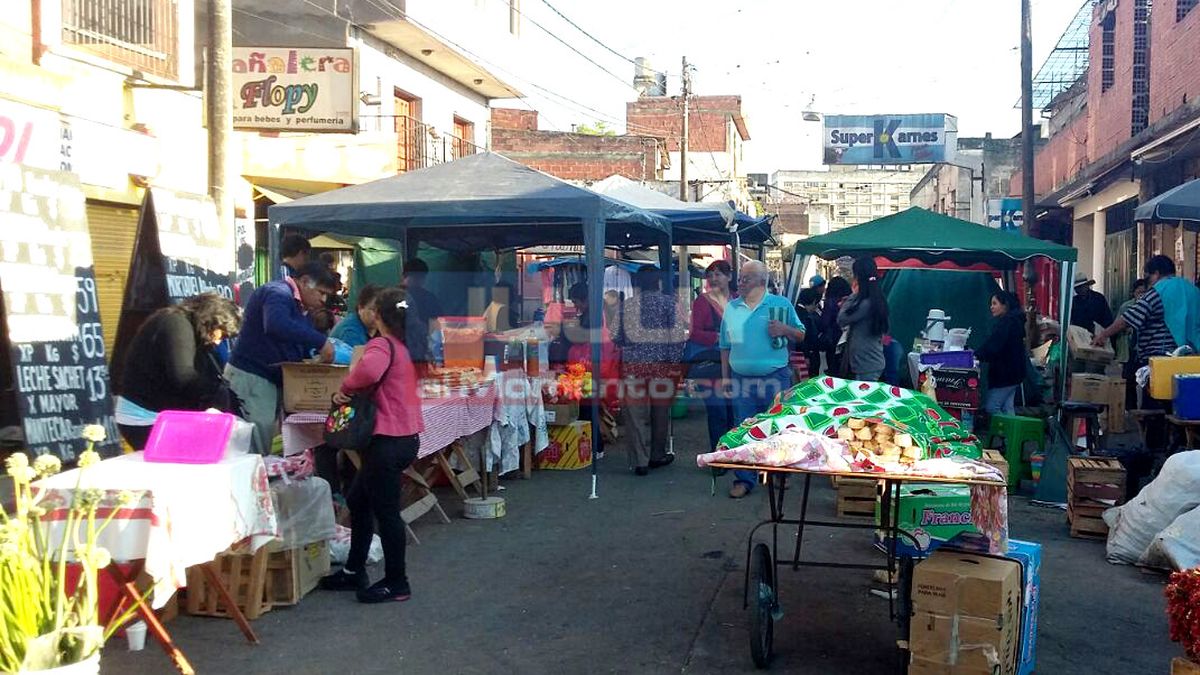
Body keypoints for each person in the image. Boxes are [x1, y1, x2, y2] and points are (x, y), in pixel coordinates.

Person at [320, 288, 424, 604]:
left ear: (378, 316)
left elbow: (368, 369)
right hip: (405, 438)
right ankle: (354, 571)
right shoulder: (406, 347)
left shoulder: (382, 344)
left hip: (386, 441)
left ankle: (397, 582)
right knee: (360, 502)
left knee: (387, 513)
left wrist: (346, 386)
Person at [227, 262, 336, 454]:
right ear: (304, 282)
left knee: (266, 438)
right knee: (254, 440)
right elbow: (276, 324)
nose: (323, 300)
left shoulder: (301, 308)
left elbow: (295, 341)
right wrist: (320, 342)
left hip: (270, 380)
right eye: (321, 292)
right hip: (253, 376)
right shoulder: (277, 292)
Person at [720, 260, 806, 498]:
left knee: (778, 427)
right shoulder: (732, 308)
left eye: (745, 279)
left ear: (760, 281)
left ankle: (778, 472)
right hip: (741, 378)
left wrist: (784, 329)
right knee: (743, 428)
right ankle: (744, 479)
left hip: (775, 376)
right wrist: (725, 379)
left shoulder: (780, 305)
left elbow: (801, 334)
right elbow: (725, 346)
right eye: (740, 279)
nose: (740, 283)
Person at [115, 294, 242, 450]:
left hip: (162, 416)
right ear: (211, 320)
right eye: (221, 334)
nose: (218, 341)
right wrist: (217, 392)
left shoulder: (188, 327)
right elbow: (183, 377)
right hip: (146, 418)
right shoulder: (175, 323)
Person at [619, 267, 687, 476]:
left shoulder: (627, 306)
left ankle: (640, 461)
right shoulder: (668, 303)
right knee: (660, 412)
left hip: (633, 365)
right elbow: (677, 336)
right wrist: (674, 363)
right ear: (658, 282)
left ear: (637, 284)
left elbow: (617, 337)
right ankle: (657, 454)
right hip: (661, 365)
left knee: (635, 414)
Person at [1093, 255, 1200, 383]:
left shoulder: (1159, 291)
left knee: (1156, 400)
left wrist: (1103, 334)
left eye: (1148, 277)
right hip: (1191, 358)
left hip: (1162, 358)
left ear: (1156, 273)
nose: (1148, 282)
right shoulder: (1193, 291)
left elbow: (1129, 318)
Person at [689, 260, 736, 453]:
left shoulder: (737, 301)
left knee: (734, 411)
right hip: (710, 363)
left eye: (719, 274)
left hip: (735, 363)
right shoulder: (702, 301)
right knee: (717, 411)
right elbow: (694, 332)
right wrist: (717, 337)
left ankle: (734, 452)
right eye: (711, 275)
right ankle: (718, 456)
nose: (714, 278)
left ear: (729, 277)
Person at [837, 257, 889, 381]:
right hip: (872, 360)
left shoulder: (865, 303)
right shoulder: (878, 299)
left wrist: (852, 296)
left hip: (865, 363)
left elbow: (842, 318)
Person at [976, 291, 1028, 416]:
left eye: (995, 303)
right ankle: (1011, 435)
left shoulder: (1006, 323)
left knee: (992, 407)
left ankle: (1005, 433)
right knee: (1007, 408)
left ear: (1005, 305)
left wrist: (977, 355)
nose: (991, 307)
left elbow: (994, 346)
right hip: (1015, 374)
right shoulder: (1015, 321)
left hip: (1005, 374)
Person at [401, 258, 443, 371]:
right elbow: (436, 329)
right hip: (419, 354)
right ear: (423, 278)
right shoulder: (429, 298)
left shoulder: (389, 296)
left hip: (395, 354)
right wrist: (436, 356)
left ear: (403, 274)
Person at [1116, 279, 1149, 408]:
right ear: (1133, 293)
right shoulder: (1126, 307)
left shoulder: (1150, 306)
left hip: (1144, 349)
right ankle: (1130, 408)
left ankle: (1145, 410)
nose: (1141, 295)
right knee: (1129, 380)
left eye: (1144, 292)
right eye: (1139, 292)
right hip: (1129, 349)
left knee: (1146, 381)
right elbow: (1118, 325)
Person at [819, 277, 852, 375]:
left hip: (833, 339)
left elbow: (824, 322)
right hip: (849, 338)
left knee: (834, 369)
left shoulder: (830, 302)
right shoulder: (851, 300)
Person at [1070, 272, 1114, 338]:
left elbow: (1107, 319)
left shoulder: (1099, 298)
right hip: (1080, 336)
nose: (1078, 290)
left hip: (1099, 335)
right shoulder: (1074, 301)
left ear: (1087, 286)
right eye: (1076, 288)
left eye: (1080, 287)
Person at [794, 287, 824, 380]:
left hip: (797, 356)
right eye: (816, 304)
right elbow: (805, 338)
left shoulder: (794, 311)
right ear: (813, 301)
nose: (815, 307)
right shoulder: (806, 317)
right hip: (807, 356)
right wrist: (806, 355)